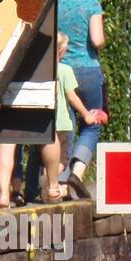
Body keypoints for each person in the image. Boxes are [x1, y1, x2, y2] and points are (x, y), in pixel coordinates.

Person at [56, 0, 105, 198]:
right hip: (88, 70)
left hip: (61, 68)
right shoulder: (91, 3)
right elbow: (97, 40)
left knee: (66, 125)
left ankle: (62, 182)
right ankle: (77, 170)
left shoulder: (55, 2)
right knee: (92, 122)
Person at [41, 33, 97, 203]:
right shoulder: (65, 70)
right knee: (62, 162)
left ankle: (44, 182)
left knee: (44, 156)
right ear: (61, 51)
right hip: (63, 123)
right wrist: (86, 114)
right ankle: (48, 180)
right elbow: (72, 97)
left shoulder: (42, 70)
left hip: (44, 123)